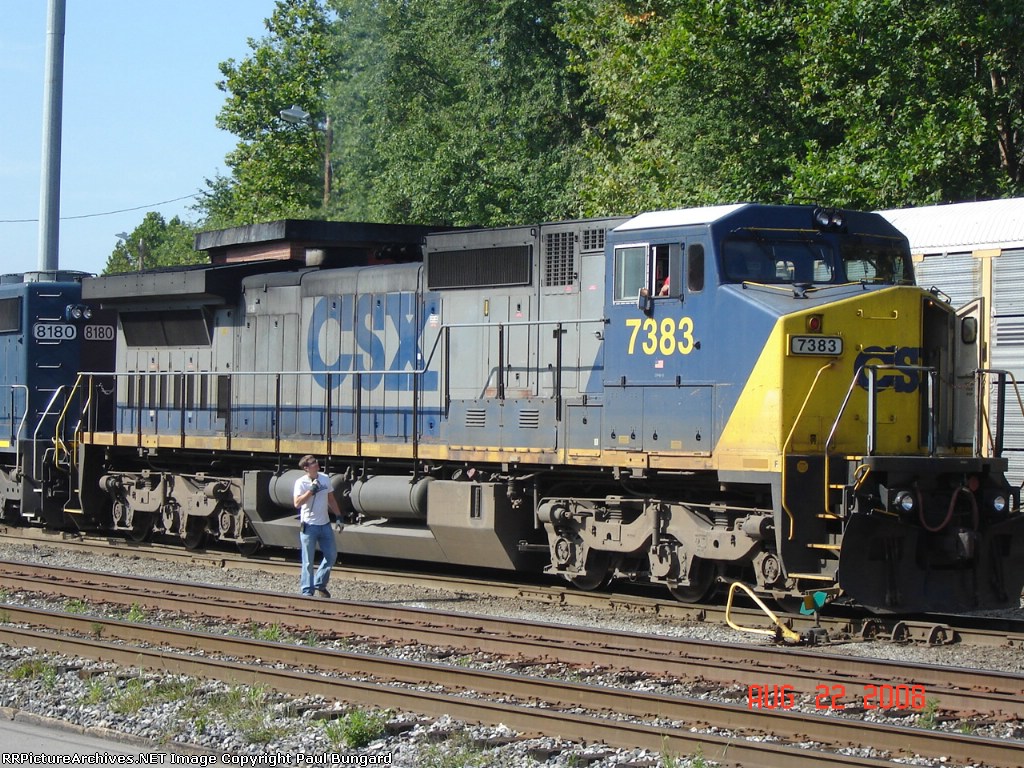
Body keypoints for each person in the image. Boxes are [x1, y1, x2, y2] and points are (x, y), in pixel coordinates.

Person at [293, 455, 342, 598]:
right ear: (306, 468)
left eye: (316, 461)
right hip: (309, 526)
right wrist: (311, 491)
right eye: (313, 463)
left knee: (332, 555)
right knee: (308, 561)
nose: (317, 463)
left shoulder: (325, 478)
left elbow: (331, 499)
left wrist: (339, 516)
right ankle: (307, 591)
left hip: (325, 525)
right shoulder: (300, 483)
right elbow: (297, 503)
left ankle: (319, 583)